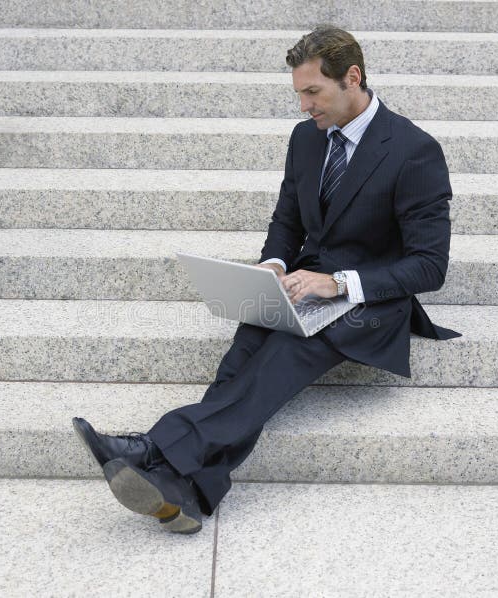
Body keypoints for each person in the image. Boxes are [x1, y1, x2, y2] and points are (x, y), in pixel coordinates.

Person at [72, 25, 460, 535]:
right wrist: (272, 267)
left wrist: (338, 283)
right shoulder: (306, 138)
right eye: (299, 93)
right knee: (240, 358)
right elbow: (287, 222)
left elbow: (430, 267)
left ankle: (153, 447)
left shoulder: (413, 150)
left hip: (368, 301)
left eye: (312, 92)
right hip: (300, 283)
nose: (304, 106)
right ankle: (186, 491)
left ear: (352, 78)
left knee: (280, 356)